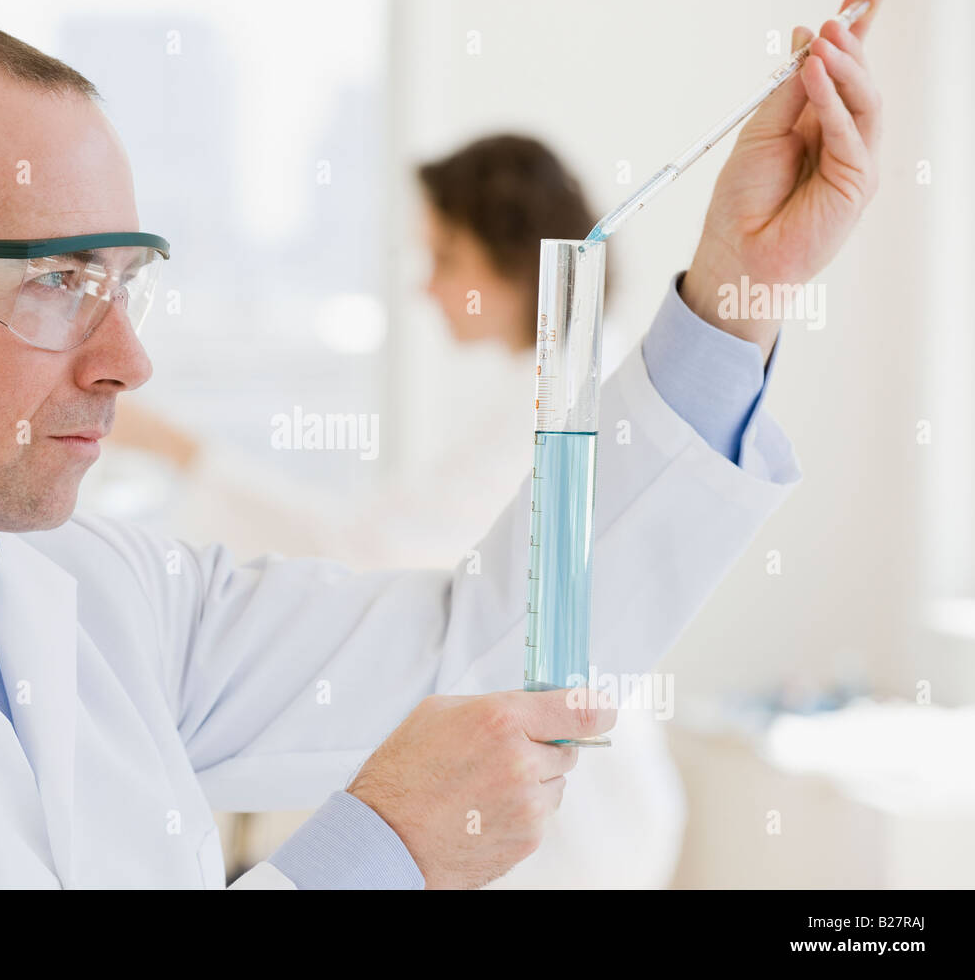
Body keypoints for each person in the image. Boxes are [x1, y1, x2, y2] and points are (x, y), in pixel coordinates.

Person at [0, 0, 882, 889]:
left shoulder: (96, 592)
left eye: (123, 282)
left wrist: (736, 298)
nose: (126, 361)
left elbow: (493, 644)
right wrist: (367, 859)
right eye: (54, 282)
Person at [104, 134, 686, 887]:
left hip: (575, 827)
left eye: (445, 257)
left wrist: (183, 450)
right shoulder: (545, 383)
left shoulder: (566, 400)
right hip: (574, 805)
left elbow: (369, 548)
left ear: (510, 258)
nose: (426, 287)